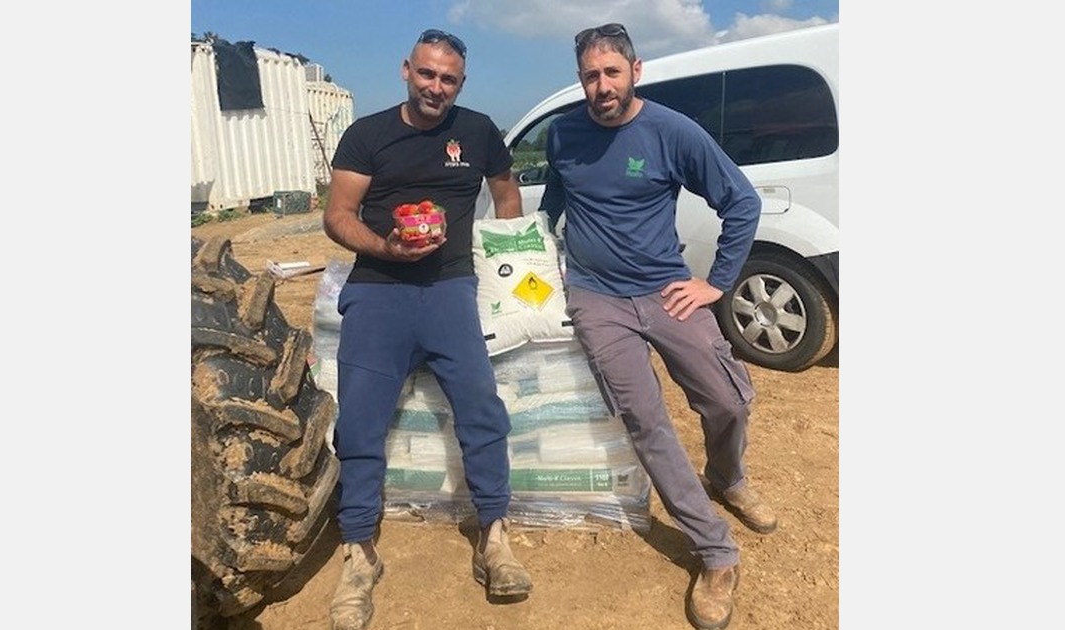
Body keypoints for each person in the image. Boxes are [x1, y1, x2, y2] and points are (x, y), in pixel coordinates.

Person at [538, 23, 777, 630]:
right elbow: (557, 202)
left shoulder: (672, 132)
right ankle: (716, 552)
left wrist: (716, 283)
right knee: (647, 421)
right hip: (597, 300)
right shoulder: (563, 134)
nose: (601, 85)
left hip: (666, 290)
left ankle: (728, 475)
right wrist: (543, 259)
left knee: (727, 397)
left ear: (635, 70)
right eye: (590, 74)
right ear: (581, 78)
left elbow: (741, 202)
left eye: (611, 72)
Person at [321, 28, 532, 630]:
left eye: (448, 79)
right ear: (406, 70)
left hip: (449, 288)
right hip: (379, 288)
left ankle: (495, 535)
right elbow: (338, 216)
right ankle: (358, 551)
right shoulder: (368, 135)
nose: (436, 87)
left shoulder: (480, 131)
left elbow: (506, 193)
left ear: (459, 84)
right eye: (427, 74)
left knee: (481, 407)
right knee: (360, 418)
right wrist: (384, 244)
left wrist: (502, 264)